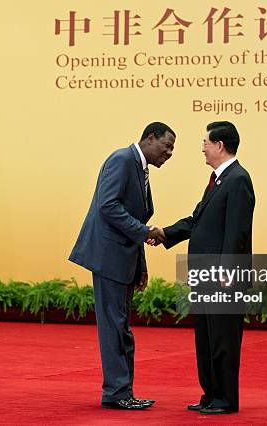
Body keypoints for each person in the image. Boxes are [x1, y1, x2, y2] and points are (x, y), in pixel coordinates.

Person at [149, 121, 255, 414]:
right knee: (206, 339)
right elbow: (197, 221)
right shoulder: (218, 180)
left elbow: (237, 231)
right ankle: (211, 395)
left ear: (220, 145)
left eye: (205, 145)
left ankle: (225, 399)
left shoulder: (238, 179)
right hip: (205, 275)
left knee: (223, 340)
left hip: (223, 278)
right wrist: (165, 233)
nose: (203, 151)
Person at [69, 122, 175, 410]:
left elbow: (133, 218)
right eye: (166, 147)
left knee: (122, 327)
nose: (169, 154)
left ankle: (123, 390)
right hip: (108, 257)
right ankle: (116, 393)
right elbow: (108, 206)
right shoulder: (122, 159)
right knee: (114, 326)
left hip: (124, 259)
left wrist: (141, 264)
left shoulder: (140, 168)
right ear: (149, 138)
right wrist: (146, 232)